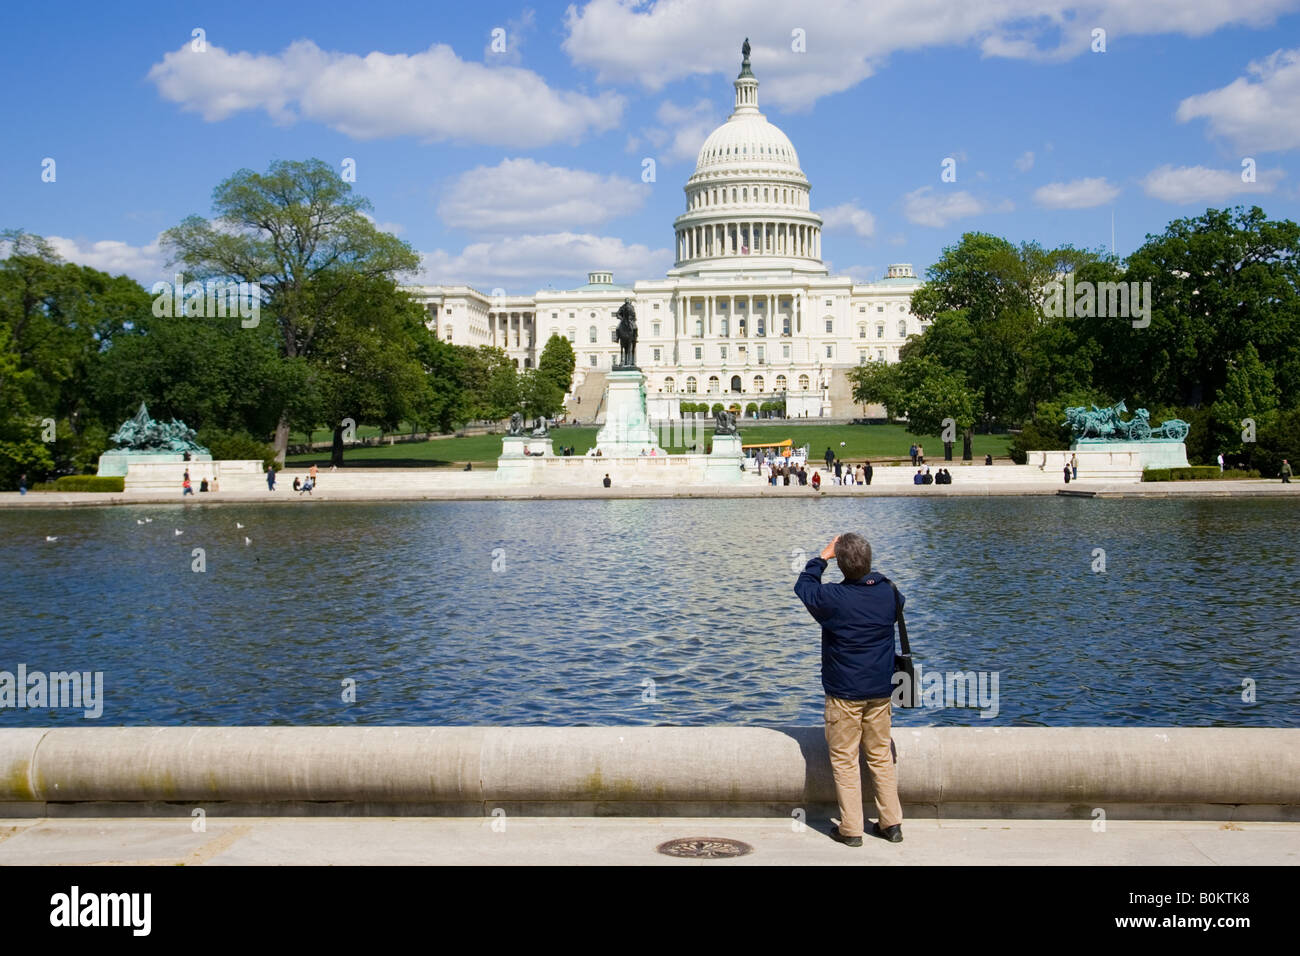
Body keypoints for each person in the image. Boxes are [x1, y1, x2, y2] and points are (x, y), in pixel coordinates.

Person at [794, 533, 905, 846]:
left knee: (844, 761)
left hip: (844, 693)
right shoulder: (888, 591)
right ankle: (891, 823)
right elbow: (898, 604)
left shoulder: (833, 598)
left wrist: (822, 557)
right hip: (881, 689)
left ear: (841, 565)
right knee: (881, 756)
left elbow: (803, 586)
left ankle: (851, 829)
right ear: (868, 561)